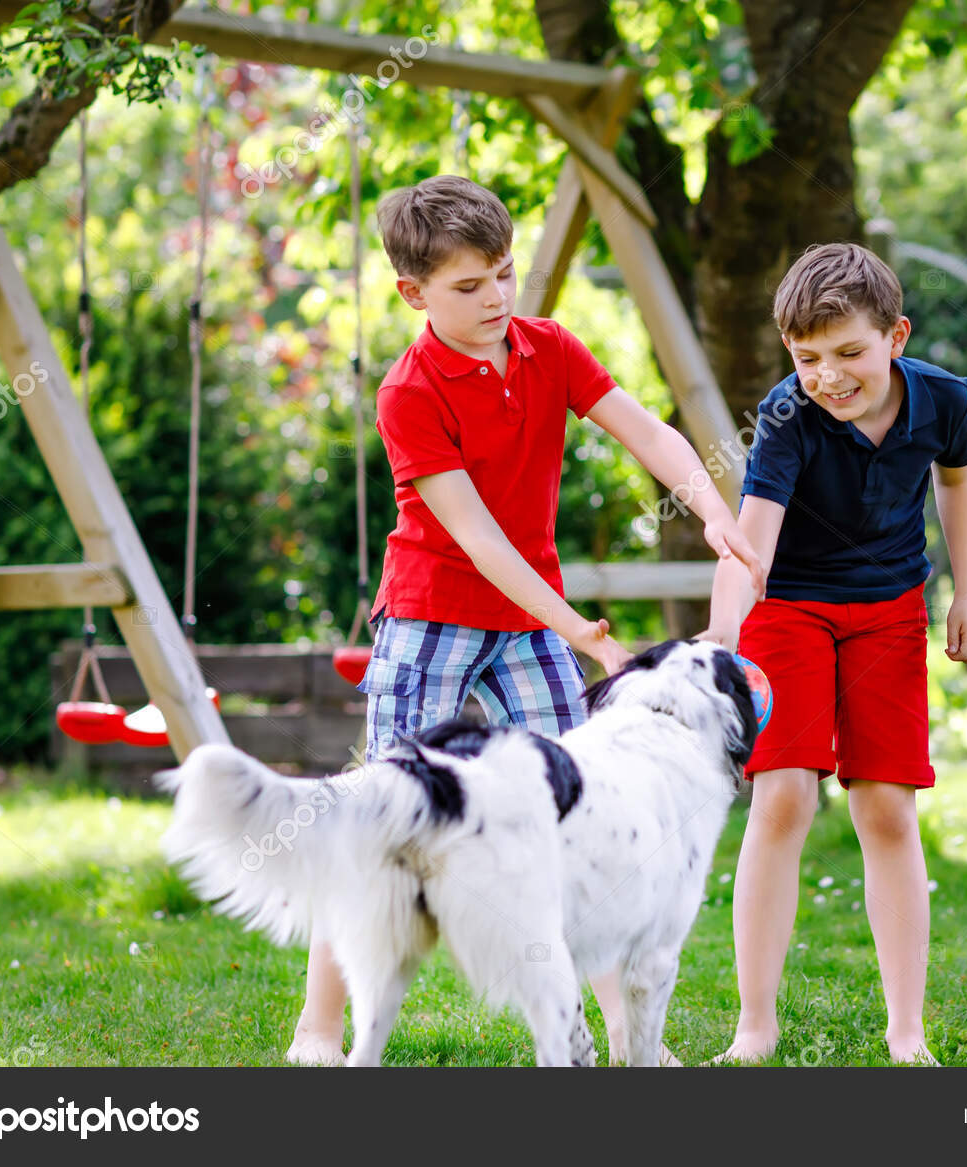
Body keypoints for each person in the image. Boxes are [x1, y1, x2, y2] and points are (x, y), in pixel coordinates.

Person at [286, 175, 765, 1068]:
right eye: (470, 286)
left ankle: (627, 1037)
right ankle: (320, 1028)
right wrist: (579, 628)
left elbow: (649, 434)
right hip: (435, 618)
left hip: (530, 620)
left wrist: (710, 507)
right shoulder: (409, 392)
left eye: (505, 275)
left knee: (580, 813)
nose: (497, 298)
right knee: (384, 817)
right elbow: (478, 541)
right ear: (414, 293)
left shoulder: (549, 349)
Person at [700, 241, 967, 1065]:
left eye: (849, 352)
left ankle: (907, 1031)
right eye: (807, 357)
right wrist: (724, 636)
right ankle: (755, 1026)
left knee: (888, 809)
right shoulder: (789, 416)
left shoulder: (940, 399)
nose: (827, 374)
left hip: (888, 611)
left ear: (895, 336)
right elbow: (751, 541)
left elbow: (958, 481)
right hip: (788, 610)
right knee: (783, 795)